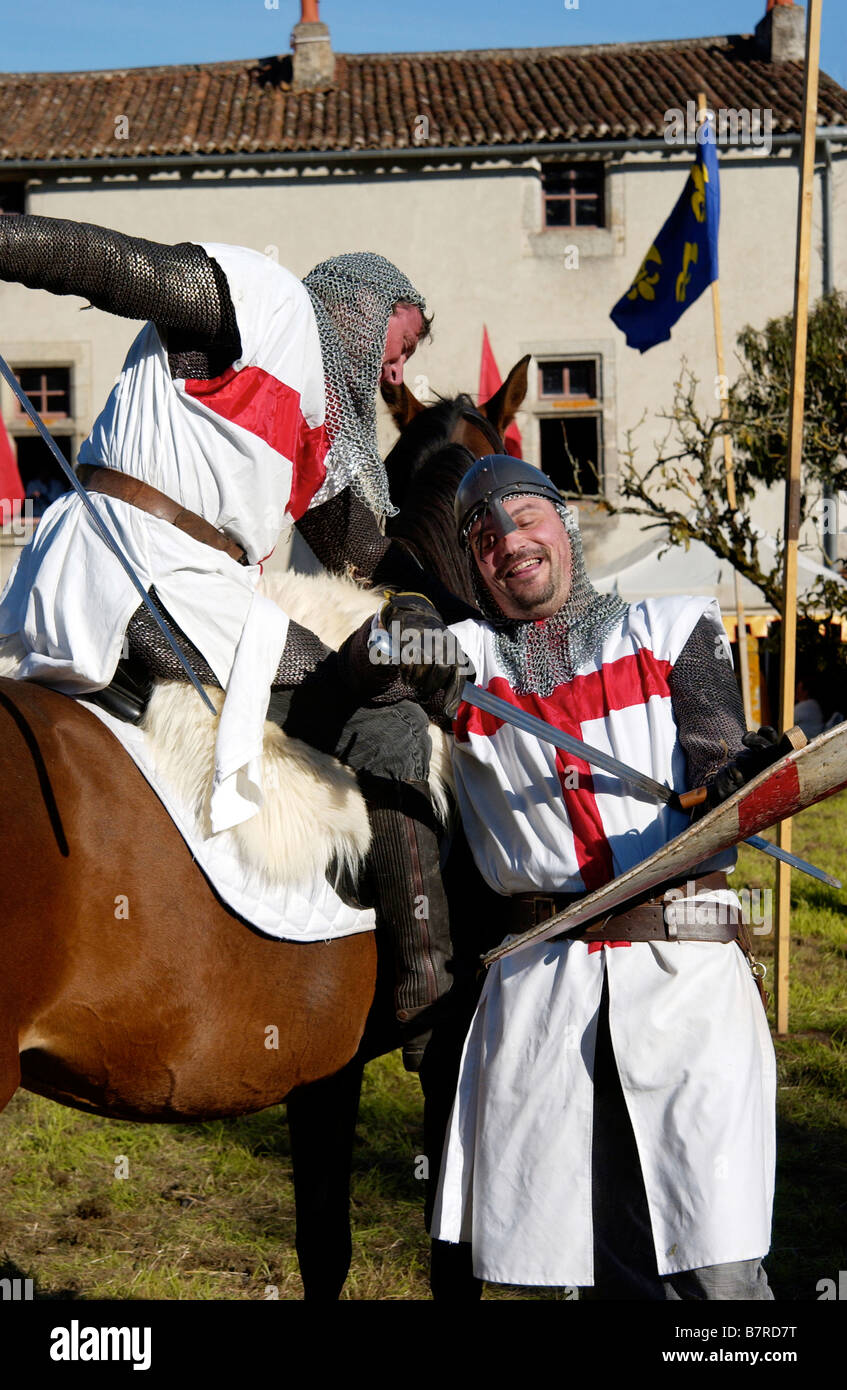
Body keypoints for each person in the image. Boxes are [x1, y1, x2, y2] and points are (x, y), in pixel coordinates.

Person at [0, 215, 468, 1050]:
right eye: (401, 342)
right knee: (387, 717)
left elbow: (371, 560)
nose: (399, 370)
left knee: (376, 674)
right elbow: (110, 266)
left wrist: (444, 610)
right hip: (149, 577)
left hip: (175, 591)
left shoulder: (322, 434)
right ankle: (425, 996)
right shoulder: (262, 301)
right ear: (363, 305)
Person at [400, 454, 783, 1298]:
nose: (509, 539)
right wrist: (405, 621)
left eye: (526, 516)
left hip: (681, 975)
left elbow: (720, 756)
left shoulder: (670, 627)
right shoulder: (464, 659)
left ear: (563, 526)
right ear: (474, 564)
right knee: (562, 1264)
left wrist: (737, 776)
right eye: (484, 533)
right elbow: (375, 654)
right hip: (542, 989)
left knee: (712, 1261)